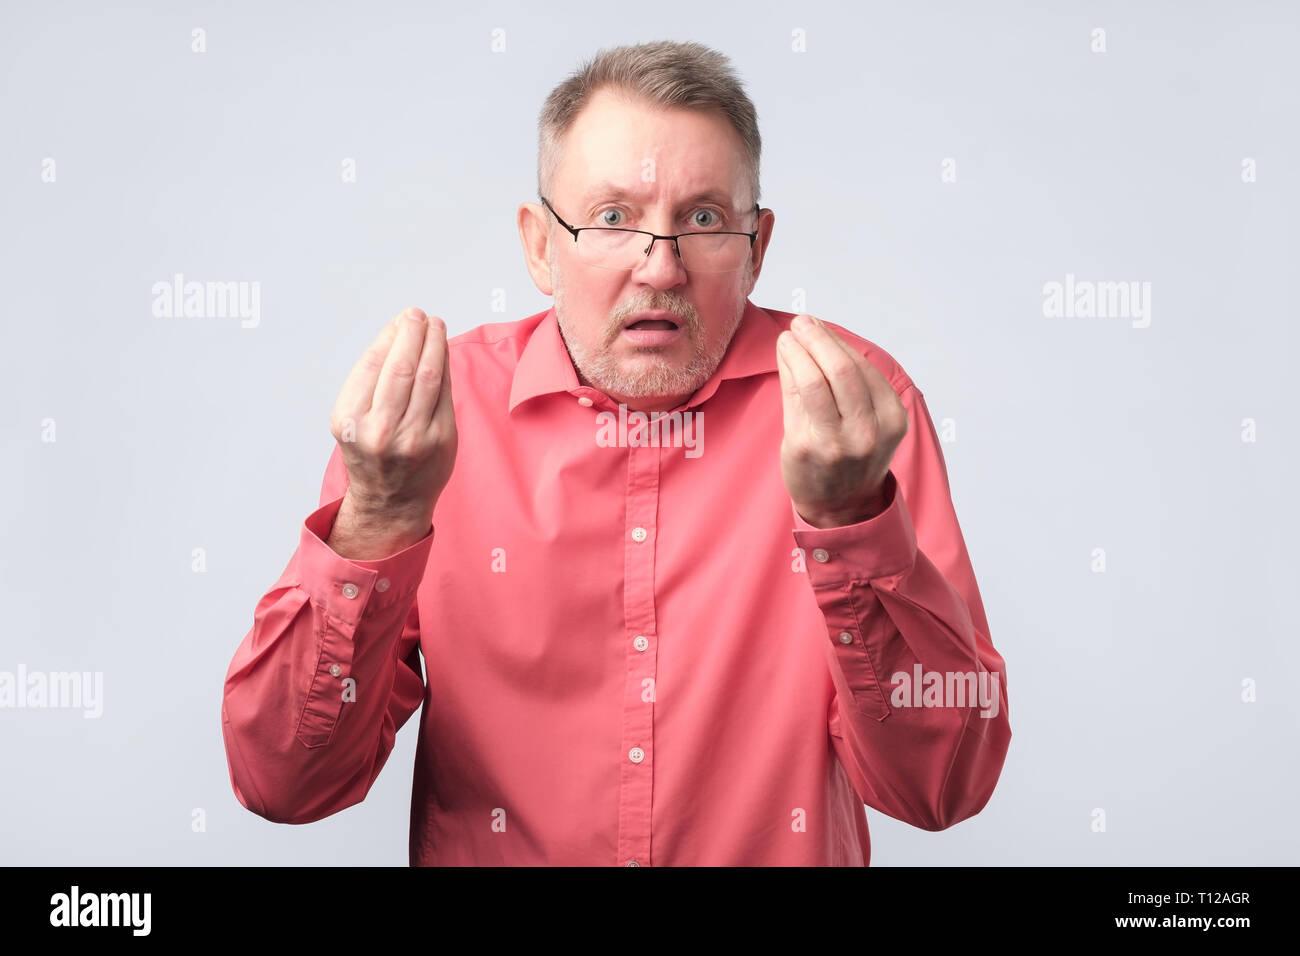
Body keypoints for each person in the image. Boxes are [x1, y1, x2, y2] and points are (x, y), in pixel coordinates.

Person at [220, 39, 1011, 866]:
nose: (659, 266)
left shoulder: (856, 414)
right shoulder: (431, 422)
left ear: (757, 247)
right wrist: (377, 519)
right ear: (537, 245)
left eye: (703, 218)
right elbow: (286, 783)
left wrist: (852, 521)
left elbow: (940, 789)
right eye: (611, 218)